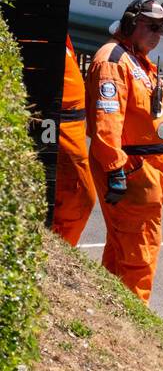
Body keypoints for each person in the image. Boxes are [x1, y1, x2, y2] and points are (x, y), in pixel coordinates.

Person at [86, 0, 163, 303]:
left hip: (147, 172)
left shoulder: (136, 59)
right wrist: (116, 169)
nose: (157, 34)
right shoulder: (114, 60)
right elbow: (107, 120)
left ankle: (113, 314)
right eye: (151, 26)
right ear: (130, 24)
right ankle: (135, 319)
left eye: (162, 30)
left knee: (122, 248)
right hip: (133, 169)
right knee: (140, 251)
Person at [52, 35, 96, 246]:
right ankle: (56, 250)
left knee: (78, 198)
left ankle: (58, 250)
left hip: (71, 127)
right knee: (79, 196)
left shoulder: (58, 28)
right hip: (58, 128)